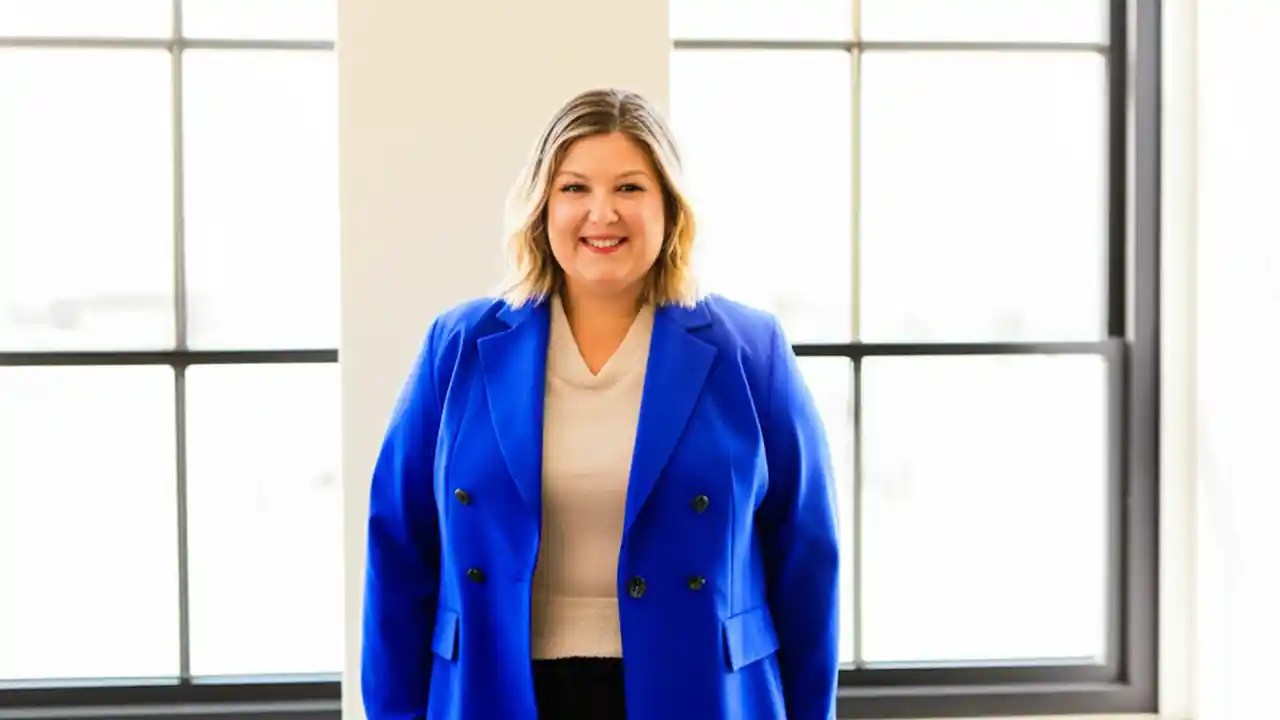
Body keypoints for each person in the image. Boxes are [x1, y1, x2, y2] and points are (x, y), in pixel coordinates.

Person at [361, 87, 839, 720]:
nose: (602, 213)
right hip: (498, 691)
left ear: (671, 207)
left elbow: (807, 562)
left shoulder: (751, 351)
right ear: (541, 207)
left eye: (630, 188)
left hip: (701, 691)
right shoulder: (458, 345)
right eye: (575, 188)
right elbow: (398, 551)